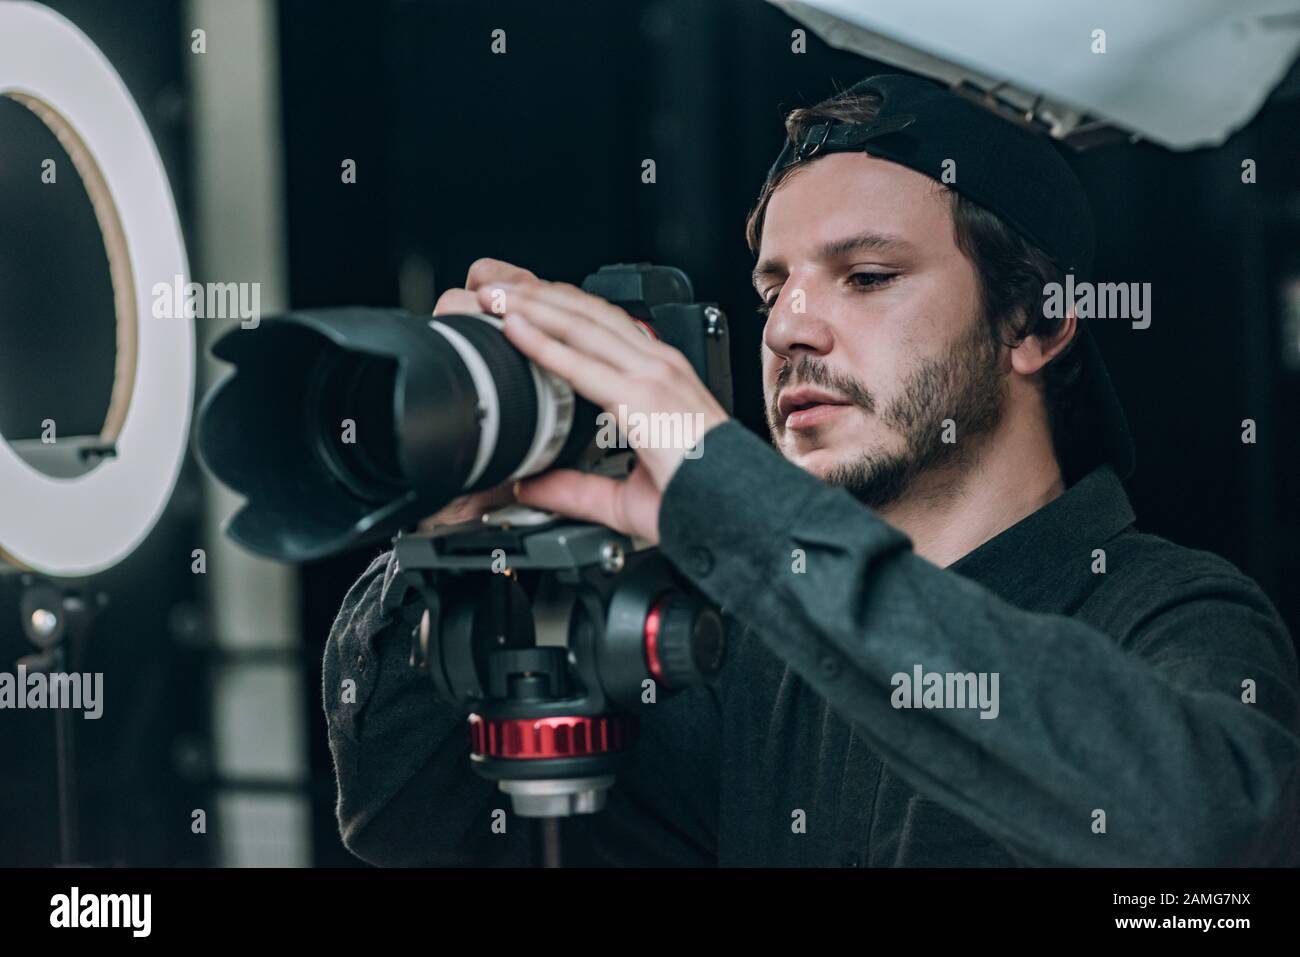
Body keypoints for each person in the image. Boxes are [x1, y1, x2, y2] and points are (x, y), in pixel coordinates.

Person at [321, 74, 1300, 866]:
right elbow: (416, 823)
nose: (788, 327)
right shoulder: (746, 652)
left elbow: (1196, 829)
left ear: (1034, 323)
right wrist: (449, 536)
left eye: (867, 276)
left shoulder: (1175, 618)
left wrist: (726, 494)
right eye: (771, 288)